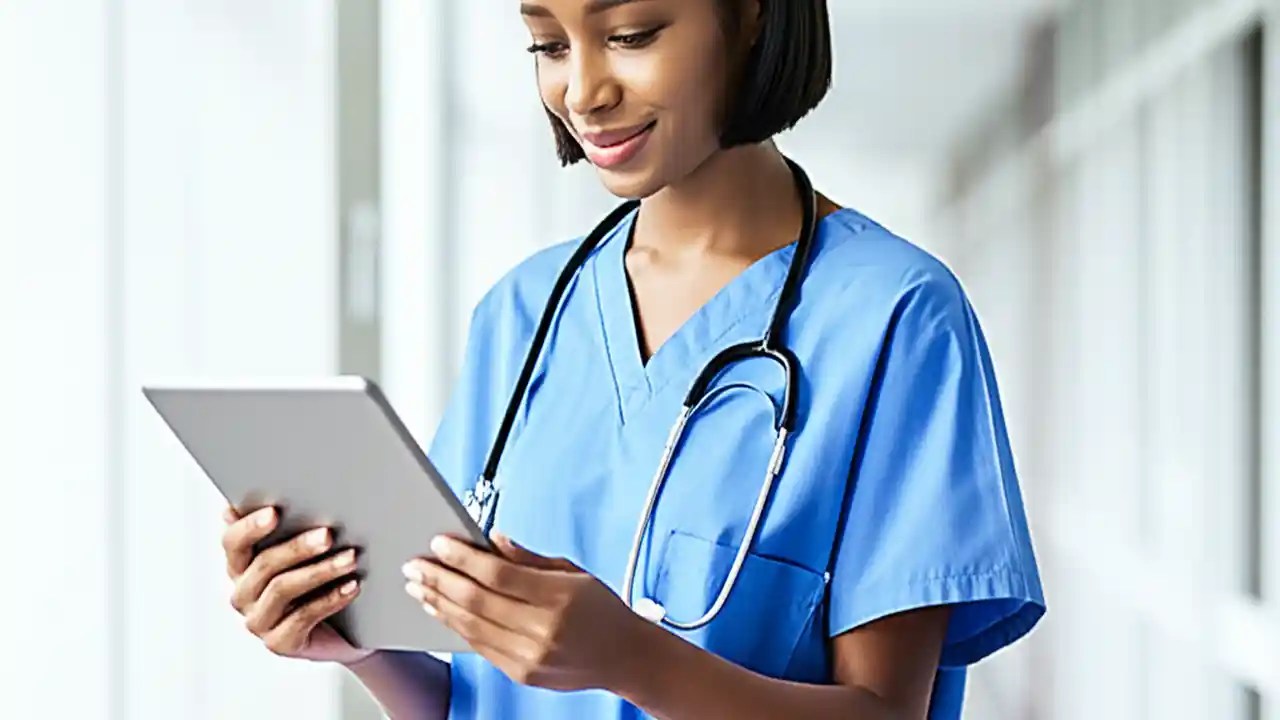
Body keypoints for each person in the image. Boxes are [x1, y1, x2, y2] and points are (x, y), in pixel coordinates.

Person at [219, 0, 1046, 718]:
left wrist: (633, 660)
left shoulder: (895, 316)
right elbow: (472, 699)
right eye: (548, 46)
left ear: (751, 14)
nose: (583, 91)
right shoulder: (524, 312)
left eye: (631, 34)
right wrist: (357, 647)